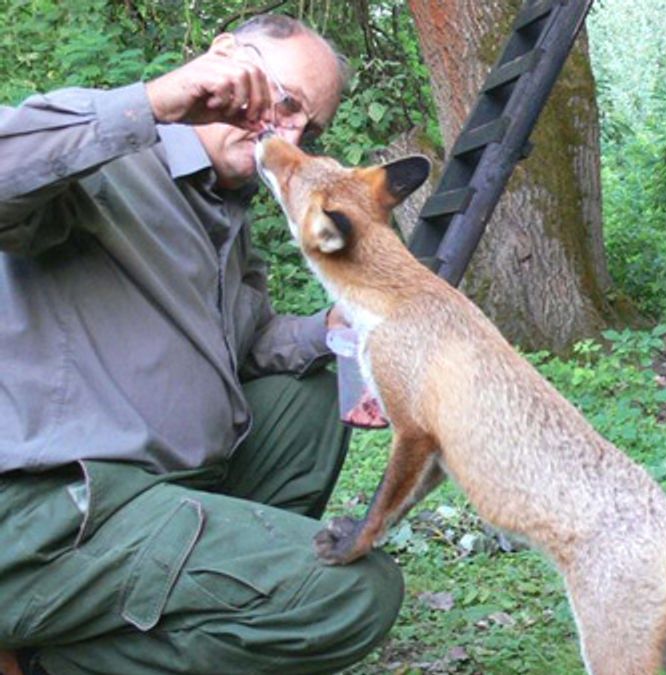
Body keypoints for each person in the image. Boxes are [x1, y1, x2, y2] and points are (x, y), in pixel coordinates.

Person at [0, 14, 404, 675]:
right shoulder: (109, 160)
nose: (292, 133)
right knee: (357, 591)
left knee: (308, 389)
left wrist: (334, 329)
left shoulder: (225, 211)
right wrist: (155, 99)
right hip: (47, 517)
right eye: (286, 102)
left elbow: (245, 344)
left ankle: (153, 619)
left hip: (160, 493)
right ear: (223, 58)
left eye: (310, 126)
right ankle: (50, 660)